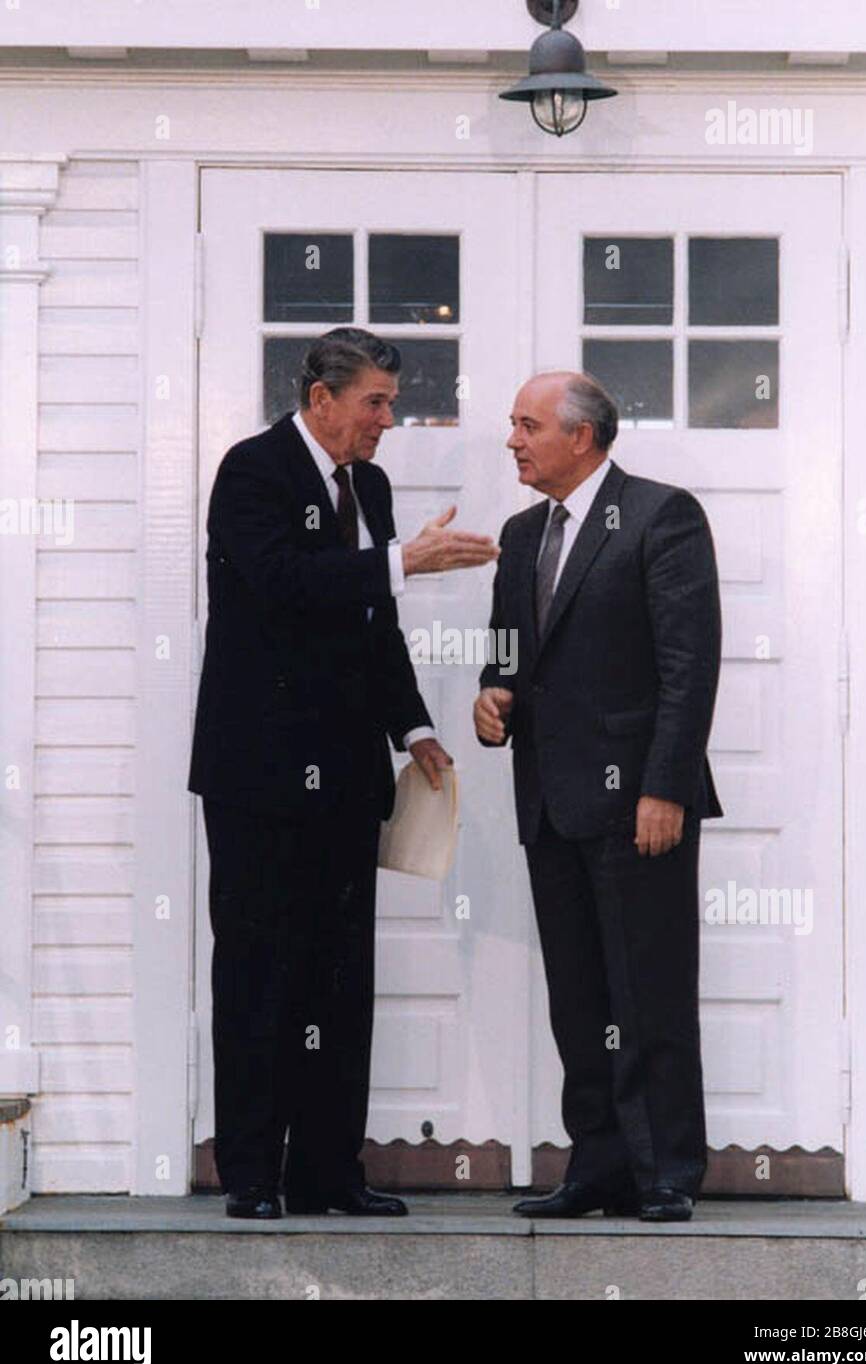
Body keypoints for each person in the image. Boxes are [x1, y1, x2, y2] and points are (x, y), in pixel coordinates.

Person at [189, 327, 498, 1219]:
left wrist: (411, 726)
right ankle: (252, 1174)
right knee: (258, 970)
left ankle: (328, 1170)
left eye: (391, 404)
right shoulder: (252, 472)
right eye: (374, 403)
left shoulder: (371, 485)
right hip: (258, 774)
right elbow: (285, 581)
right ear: (320, 399)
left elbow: (373, 618)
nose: (387, 420)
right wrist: (405, 562)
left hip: (345, 772)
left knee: (336, 975)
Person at [474, 371, 723, 1222]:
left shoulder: (661, 516)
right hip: (549, 800)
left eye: (526, 425)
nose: (512, 440)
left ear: (580, 436)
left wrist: (666, 788)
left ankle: (665, 1172)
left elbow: (689, 669)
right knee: (579, 997)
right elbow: (508, 652)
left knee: (647, 988)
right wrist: (489, 694)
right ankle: (598, 1167)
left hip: (637, 802)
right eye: (513, 424)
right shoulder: (517, 533)